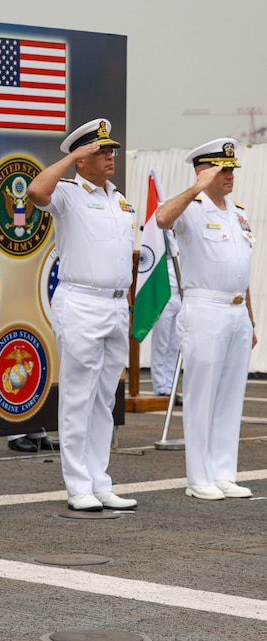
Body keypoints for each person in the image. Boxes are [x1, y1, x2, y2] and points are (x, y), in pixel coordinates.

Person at [26, 118, 138, 512]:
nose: (110, 157)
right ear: (82, 158)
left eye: (111, 151)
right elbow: (36, 191)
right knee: (78, 396)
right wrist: (73, 155)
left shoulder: (119, 199)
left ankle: (100, 480)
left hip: (113, 304)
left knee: (105, 398)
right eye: (101, 151)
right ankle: (77, 485)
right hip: (81, 301)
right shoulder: (69, 193)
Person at [154, 138, 256, 500]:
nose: (230, 176)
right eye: (222, 170)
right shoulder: (190, 208)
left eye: (231, 170)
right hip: (205, 307)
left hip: (236, 309)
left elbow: (240, 267)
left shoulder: (237, 211)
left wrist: (250, 317)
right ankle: (198, 477)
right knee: (201, 394)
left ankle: (224, 471)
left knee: (231, 395)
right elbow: (162, 218)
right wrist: (197, 185)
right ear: (204, 170)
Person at [150, 229, 183, 402]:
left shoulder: (185, 240)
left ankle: (170, 386)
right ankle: (160, 387)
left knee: (175, 345)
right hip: (166, 296)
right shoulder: (162, 244)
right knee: (160, 344)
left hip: (181, 295)